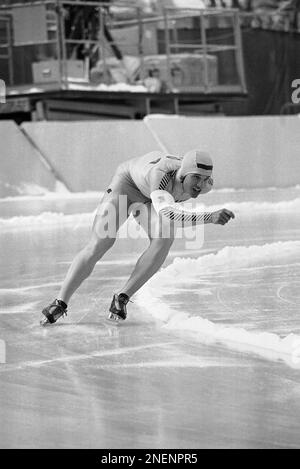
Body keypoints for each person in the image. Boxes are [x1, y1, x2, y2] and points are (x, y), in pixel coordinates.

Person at [40, 149, 235, 325]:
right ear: (183, 174)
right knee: (102, 241)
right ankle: (60, 302)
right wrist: (210, 216)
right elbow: (169, 214)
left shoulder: (205, 184)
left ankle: (122, 297)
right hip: (127, 186)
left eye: (205, 179)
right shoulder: (162, 177)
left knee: (164, 238)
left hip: (151, 199)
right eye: (196, 178)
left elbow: (170, 213)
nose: (200, 185)